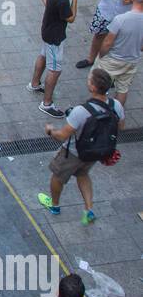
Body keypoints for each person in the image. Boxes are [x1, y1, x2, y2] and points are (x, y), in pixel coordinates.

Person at [39, 68, 123, 223]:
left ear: (92, 87)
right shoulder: (116, 105)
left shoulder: (81, 111)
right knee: (83, 174)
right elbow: (120, 126)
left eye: (89, 79)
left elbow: (63, 135)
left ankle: (54, 205)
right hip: (95, 152)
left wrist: (50, 131)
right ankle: (88, 210)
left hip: (73, 153)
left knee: (57, 177)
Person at [28, 0, 87, 118]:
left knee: (43, 55)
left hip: (46, 30)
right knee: (55, 70)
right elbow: (71, 18)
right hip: (55, 37)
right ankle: (46, 104)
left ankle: (34, 84)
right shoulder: (62, 0)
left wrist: (48, 4)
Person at [89, 0, 143, 105]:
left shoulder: (121, 19)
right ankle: (117, 114)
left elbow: (108, 42)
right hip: (132, 60)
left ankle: (97, 110)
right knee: (123, 89)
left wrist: (101, 56)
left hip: (112, 59)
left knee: (97, 84)